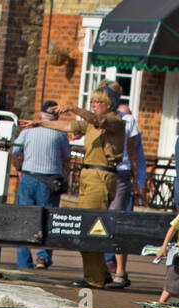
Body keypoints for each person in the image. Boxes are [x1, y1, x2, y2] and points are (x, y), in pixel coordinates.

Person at [22, 87, 125, 288]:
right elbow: (68, 126)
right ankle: (100, 274)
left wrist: (71, 107)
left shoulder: (115, 121)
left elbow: (96, 121)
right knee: (86, 228)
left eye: (98, 102)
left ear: (108, 104)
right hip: (88, 175)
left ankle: (93, 279)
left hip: (101, 176)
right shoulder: (91, 123)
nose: (94, 105)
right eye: (92, 102)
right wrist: (40, 123)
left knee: (89, 228)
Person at [12, 100, 71, 269]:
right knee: (48, 220)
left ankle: (24, 262)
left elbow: (14, 152)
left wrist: (19, 168)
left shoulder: (27, 132)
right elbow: (66, 159)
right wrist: (64, 176)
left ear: (40, 114)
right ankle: (43, 257)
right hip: (50, 180)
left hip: (29, 177)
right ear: (56, 116)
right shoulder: (59, 134)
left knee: (24, 220)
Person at [105, 89, 147, 288]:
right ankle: (103, 268)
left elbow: (133, 154)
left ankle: (119, 270)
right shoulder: (98, 119)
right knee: (98, 223)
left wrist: (139, 181)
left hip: (121, 175)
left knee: (118, 223)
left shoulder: (128, 121)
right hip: (100, 174)